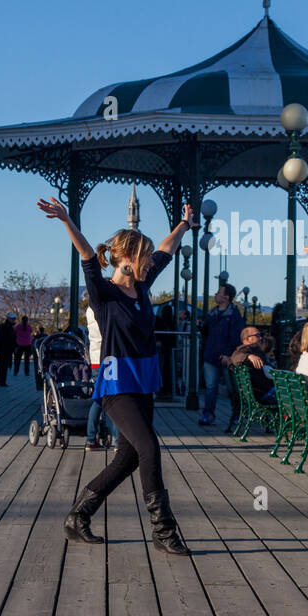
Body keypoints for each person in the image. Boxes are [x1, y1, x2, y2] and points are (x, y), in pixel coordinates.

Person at [40, 194, 194, 555]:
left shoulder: (141, 285)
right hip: (115, 384)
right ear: (125, 260)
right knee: (149, 447)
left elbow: (168, 250)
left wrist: (185, 224)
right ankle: (164, 530)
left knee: (128, 458)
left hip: (143, 381)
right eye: (142, 257)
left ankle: (78, 517)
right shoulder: (103, 293)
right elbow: (88, 257)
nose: (147, 263)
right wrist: (66, 219)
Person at [199, 284, 244, 427]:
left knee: (232, 388)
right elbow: (205, 333)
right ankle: (208, 413)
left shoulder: (234, 315)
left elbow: (236, 337)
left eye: (219, 292)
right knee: (211, 387)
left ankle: (236, 414)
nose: (215, 294)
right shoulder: (212, 313)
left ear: (226, 297)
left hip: (227, 358)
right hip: (211, 355)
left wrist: (229, 355)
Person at [83, 302, 119, 451]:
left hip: (96, 359)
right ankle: (118, 440)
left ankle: (91, 439)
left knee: (99, 399)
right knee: (115, 399)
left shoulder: (90, 309)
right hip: (109, 358)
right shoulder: (105, 308)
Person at [228, 324, 276, 405]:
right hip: (264, 395)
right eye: (257, 335)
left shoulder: (255, 350)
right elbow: (234, 358)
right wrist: (249, 356)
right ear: (248, 339)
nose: (260, 338)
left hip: (262, 393)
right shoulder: (245, 350)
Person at [0, 314, 17, 386]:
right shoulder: (7, 327)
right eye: (12, 319)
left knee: (1, 365)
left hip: (2, 348)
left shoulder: (3, 326)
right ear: (8, 319)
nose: (13, 320)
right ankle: (2, 381)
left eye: (14, 319)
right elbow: (10, 338)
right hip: (5, 348)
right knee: (4, 365)